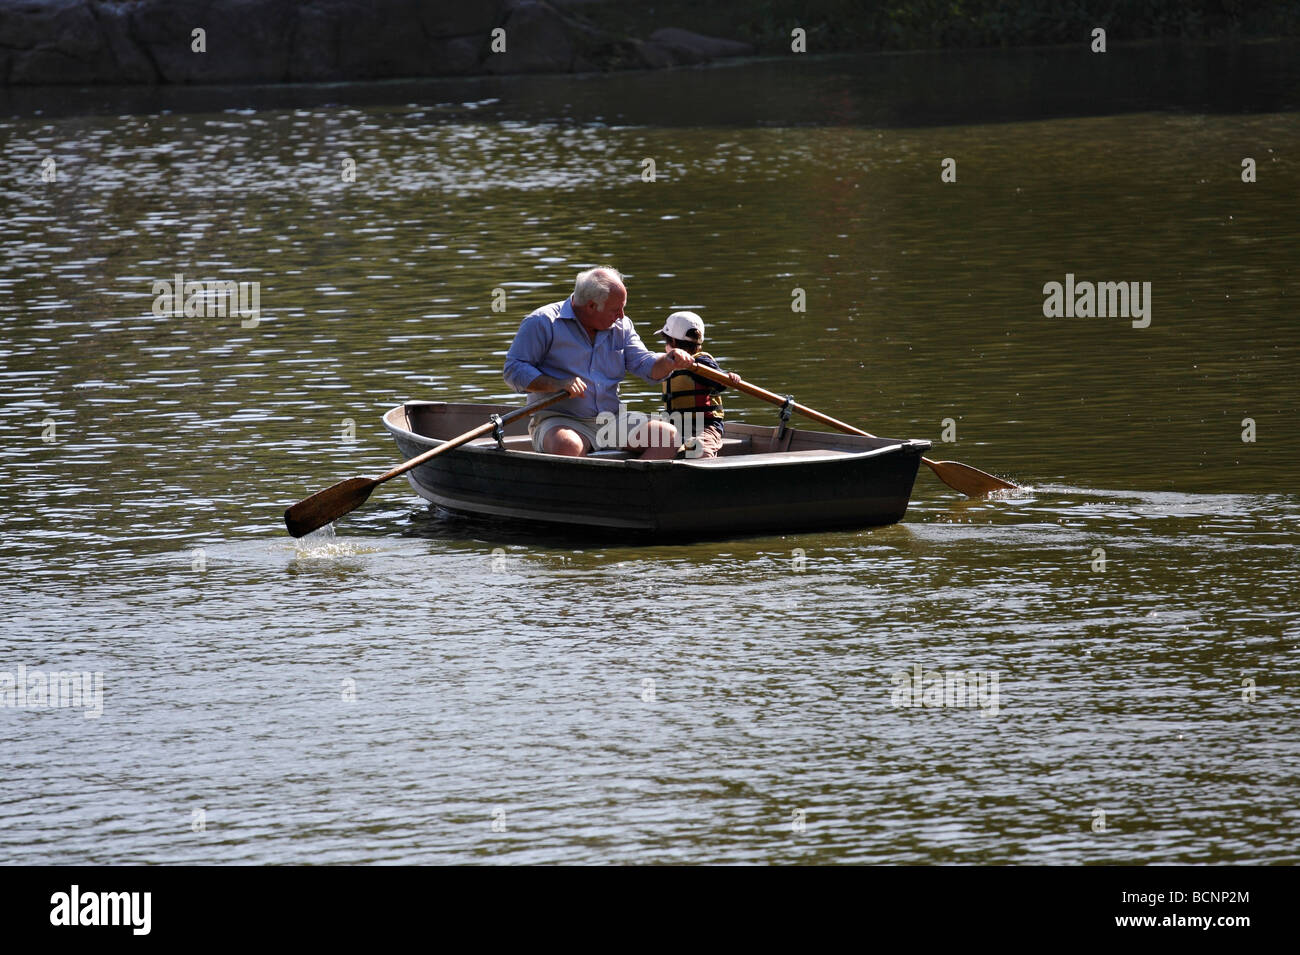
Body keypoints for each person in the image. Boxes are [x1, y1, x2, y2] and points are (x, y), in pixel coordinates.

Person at [503, 267, 695, 458]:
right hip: (560, 420)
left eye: (623, 308)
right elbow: (513, 370)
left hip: (612, 420)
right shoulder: (542, 322)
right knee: (568, 445)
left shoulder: (622, 325)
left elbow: (645, 364)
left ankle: (631, 487)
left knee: (670, 437)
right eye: (615, 309)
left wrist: (668, 361)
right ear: (591, 306)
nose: (621, 315)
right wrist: (557, 384)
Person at [655, 311, 740, 458]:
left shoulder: (700, 363)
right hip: (677, 428)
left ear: (673, 343)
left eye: (666, 341)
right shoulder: (668, 365)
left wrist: (727, 378)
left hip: (705, 427)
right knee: (658, 443)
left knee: (696, 450)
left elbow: (720, 384)